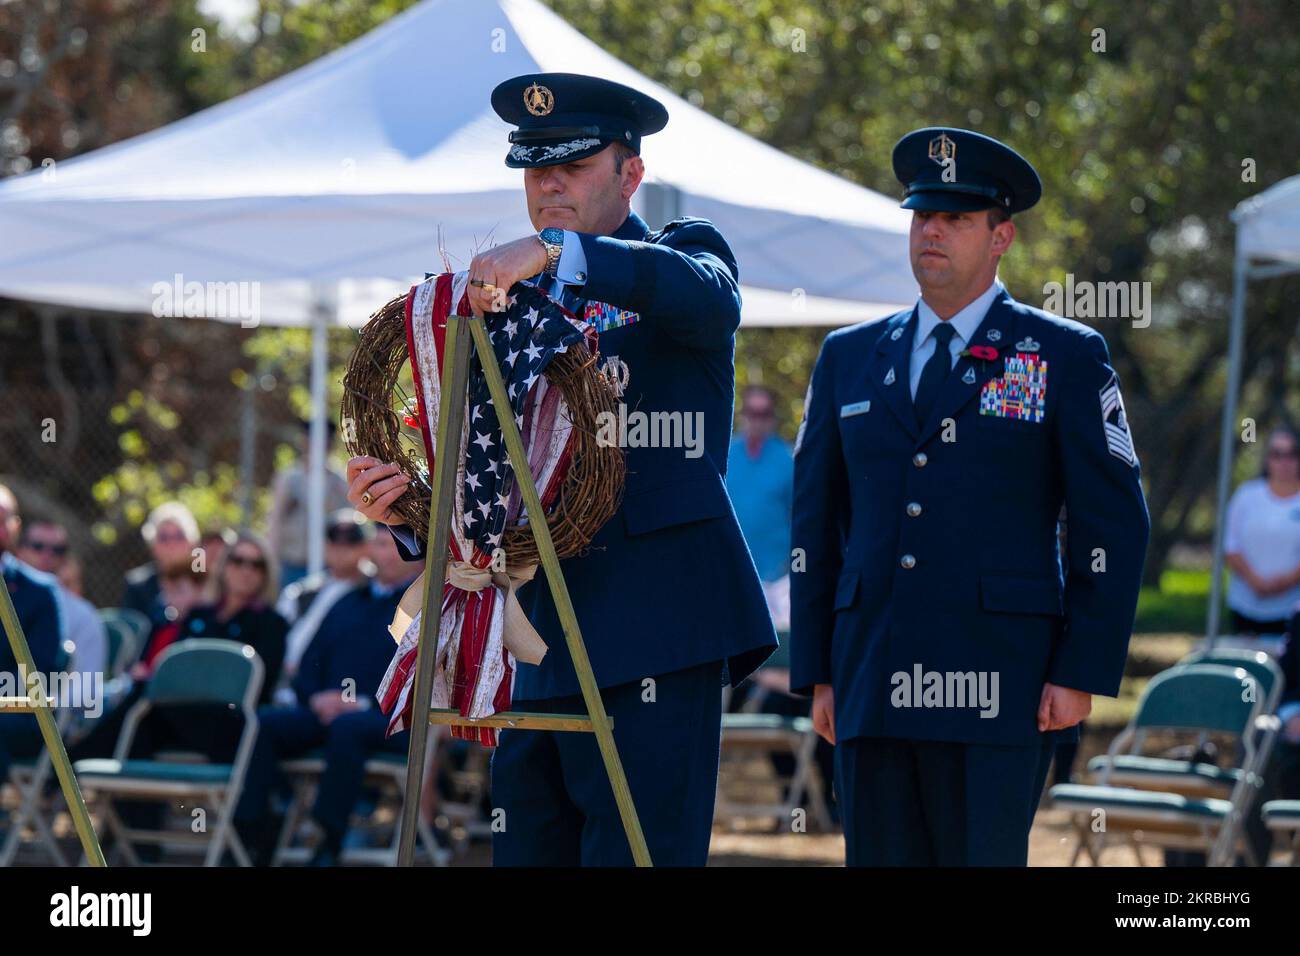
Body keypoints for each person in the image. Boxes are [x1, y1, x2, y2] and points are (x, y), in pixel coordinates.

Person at [346, 72, 777, 866]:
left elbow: (708, 300)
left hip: (655, 633)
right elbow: (482, 473)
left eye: (574, 165)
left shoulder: (681, 255)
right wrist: (408, 511)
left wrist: (556, 252)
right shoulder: (501, 305)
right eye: (534, 165)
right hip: (538, 635)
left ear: (631, 175)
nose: (547, 183)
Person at [789, 128, 1150, 866]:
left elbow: (1111, 523)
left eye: (956, 219)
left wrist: (1080, 670)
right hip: (873, 678)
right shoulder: (849, 357)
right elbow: (815, 522)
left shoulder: (1061, 355)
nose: (932, 232)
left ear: (1001, 236)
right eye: (923, 216)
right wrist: (818, 667)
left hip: (999, 682)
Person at [233, 530, 418, 866]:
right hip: (327, 713)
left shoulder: (423, 609)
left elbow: (425, 679)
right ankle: (252, 832)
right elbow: (309, 662)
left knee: (348, 728)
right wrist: (316, 697)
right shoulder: (346, 602)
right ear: (370, 549)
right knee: (263, 723)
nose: (389, 554)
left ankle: (327, 842)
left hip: (390, 721)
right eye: (381, 544)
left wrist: (362, 703)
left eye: (398, 547)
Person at [273, 509, 373, 702]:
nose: (342, 548)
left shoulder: (375, 593)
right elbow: (278, 637)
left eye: (352, 540)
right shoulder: (300, 592)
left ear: (366, 546)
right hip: (287, 684)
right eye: (335, 540)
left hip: (339, 690)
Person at [0, 485, 64, 784]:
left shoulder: (39, 591)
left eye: (2, 520)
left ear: (15, 527)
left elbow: (37, 671)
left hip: (20, 711)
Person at [15, 517, 107, 706]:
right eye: (38, 546)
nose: (47, 555)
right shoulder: (8, 600)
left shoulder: (84, 615)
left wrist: (45, 707)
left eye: (57, 550)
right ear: (20, 550)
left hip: (41, 714)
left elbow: (87, 685)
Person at [726, 385, 794, 630]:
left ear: (772, 418)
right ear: (742, 414)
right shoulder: (725, 456)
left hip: (779, 580)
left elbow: (802, 518)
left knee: (781, 656)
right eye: (752, 413)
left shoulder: (788, 460)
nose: (757, 420)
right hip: (734, 576)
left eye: (763, 414)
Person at [1223, 428, 1300, 635]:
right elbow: (1230, 546)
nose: (1284, 462)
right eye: (1276, 454)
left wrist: (1284, 583)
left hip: (1291, 611)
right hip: (1244, 608)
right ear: (1267, 459)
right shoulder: (1246, 496)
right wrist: (1254, 580)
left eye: (1291, 454)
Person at [267, 420, 351, 588]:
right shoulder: (290, 478)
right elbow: (275, 520)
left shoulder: (339, 480)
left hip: (328, 565)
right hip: (293, 562)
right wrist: (272, 559)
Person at [120, 501, 200, 631]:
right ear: (153, 545)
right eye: (164, 537)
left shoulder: (203, 583)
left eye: (179, 536)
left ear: (192, 543)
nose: (172, 544)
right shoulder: (137, 585)